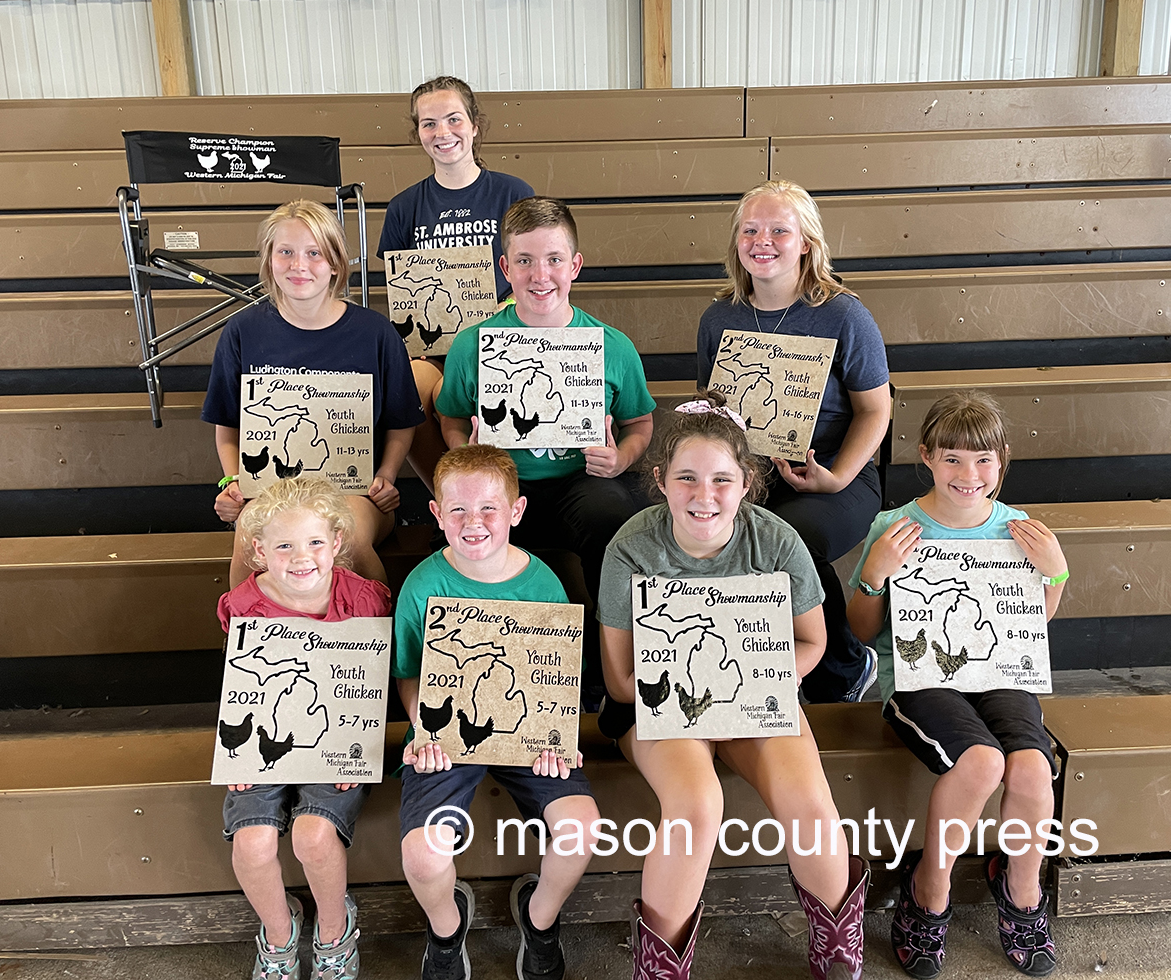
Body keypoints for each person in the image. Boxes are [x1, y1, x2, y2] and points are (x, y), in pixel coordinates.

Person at [597, 393, 869, 980]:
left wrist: (753, 680)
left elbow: (812, 645)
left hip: (755, 700)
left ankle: (838, 953)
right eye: (687, 478)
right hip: (657, 709)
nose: (704, 495)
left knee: (811, 805)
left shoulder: (775, 541)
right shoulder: (631, 548)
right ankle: (661, 968)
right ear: (660, 480)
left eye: (722, 479)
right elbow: (619, 682)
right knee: (697, 806)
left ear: (746, 482)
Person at [846, 391, 1068, 979]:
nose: (969, 475)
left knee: (1030, 767)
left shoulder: (1018, 529)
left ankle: (1022, 889)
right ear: (925, 456)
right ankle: (930, 887)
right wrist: (872, 577)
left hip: (998, 676)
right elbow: (864, 631)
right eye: (952, 458)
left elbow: (1028, 622)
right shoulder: (895, 526)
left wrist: (1056, 572)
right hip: (922, 682)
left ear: (1003, 461)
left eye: (983, 460)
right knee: (980, 763)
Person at [392, 445, 602, 980]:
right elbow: (410, 672)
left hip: (527, 733)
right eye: (457, 510)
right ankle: (445, 929)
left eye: (489, 508)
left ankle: (540, 920)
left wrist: (561, 732)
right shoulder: (422, 586)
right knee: (422, 855)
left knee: (580, 830)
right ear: (436, 514)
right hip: (446, 738)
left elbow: (559, 674)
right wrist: (421, 727)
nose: (474, 523)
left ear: (517, 510)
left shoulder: (544, 583)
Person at [436, 196, 656, 696]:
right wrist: (463, 452)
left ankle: (614, 679)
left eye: (554, 260)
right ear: (504, 267)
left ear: (575, 265)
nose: (541, 275)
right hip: (505, 488)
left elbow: (640, 422)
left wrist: (621, 455)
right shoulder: (474, 344)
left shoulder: (610, 344)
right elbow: (449, 416)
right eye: (525, 261)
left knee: (616, 519)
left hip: (582, 484)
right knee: (458, 531)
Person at [696, 180, 890, 704]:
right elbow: (714, 411)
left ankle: (844, 667)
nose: (763, 240)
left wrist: (837, 477)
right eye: (750, 229)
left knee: (790, 540)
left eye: (780, 229)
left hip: (832, 472)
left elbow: (876, 409)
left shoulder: (845, 315)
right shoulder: (720, 318)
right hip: (749, 472)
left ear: (806, 241)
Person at [219, 476, 393, 980]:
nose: (302, 557)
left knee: (313, 836)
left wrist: (355, 748)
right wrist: (239, 755)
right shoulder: (245, 606)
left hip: (335, 740)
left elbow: (372, 681)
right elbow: (242, 683)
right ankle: (279, 933)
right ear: (259, 550)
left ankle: (335, 932)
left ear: (337, 544)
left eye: (316, 542)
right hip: (263, 739)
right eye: (285, 545)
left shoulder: (363, 600)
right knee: (252, 842)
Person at [204, 198, 424, 588]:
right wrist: (232, 482)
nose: (298, 265)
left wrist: (387, 477)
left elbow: (401, 423)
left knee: (348, 541)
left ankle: (378, 644)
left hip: (355, 492)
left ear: (336, 263)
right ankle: (243, 645)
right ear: (269, 259)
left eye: (314, 253)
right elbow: (227, 428)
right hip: (272, 491)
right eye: (285, 252)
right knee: (248, 540)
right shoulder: (241, 332)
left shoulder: (376, 333)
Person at [378, 75, 535, 494]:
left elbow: (535, 269)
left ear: (474, 125)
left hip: (503, 340)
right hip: (431, 348)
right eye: (429, 124)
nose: (442, 133)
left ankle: (500, 500)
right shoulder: (404, 207)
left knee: (457, 389)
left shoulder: (513, 193)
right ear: (418, 134)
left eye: (453, 119)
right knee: (409, 385)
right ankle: (450, 501)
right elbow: (400, 289)